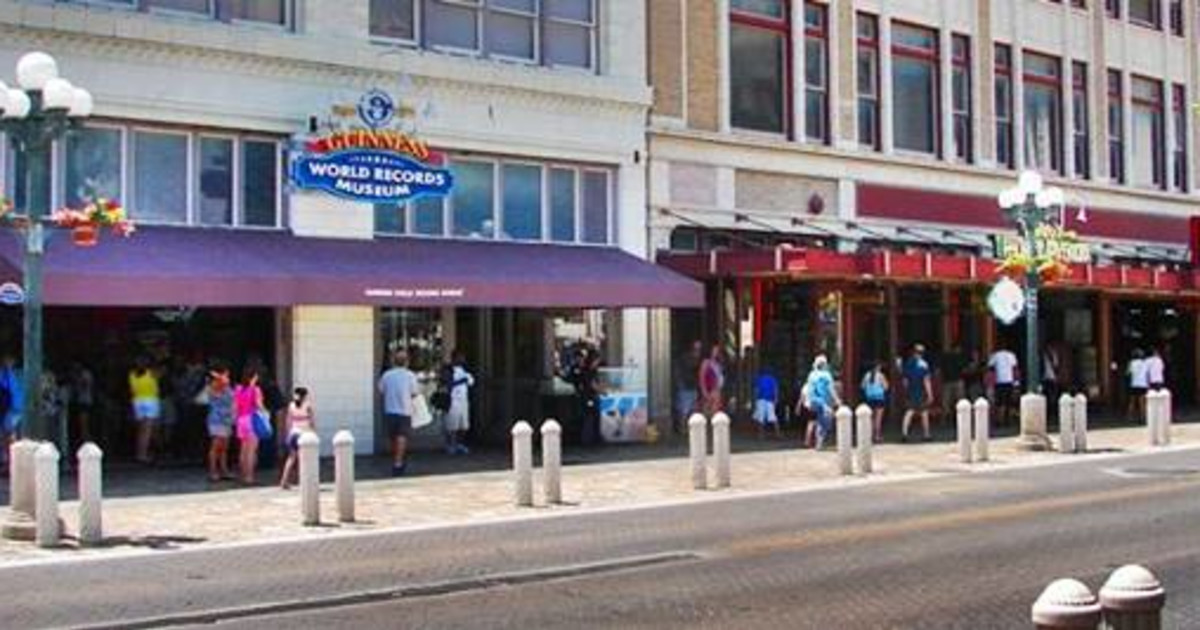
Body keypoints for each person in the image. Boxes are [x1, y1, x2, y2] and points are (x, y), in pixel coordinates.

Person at [379, 350, 419, 476]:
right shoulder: (410, 376)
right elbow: (414, 393)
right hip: (405, 410)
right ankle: (398, 462)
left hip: (390, 409)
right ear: (406, 362)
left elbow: (381, 390)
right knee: (402, 437)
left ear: (394, 361)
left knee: (393, 437)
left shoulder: (387, 375)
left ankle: (396, 458)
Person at [233, 368, 265, 484]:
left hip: (241, 420)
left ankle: (243, 475)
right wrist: (265, 414)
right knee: (252, 450)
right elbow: (259, 406)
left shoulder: (238, 389)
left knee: (243, 449)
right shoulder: (255, 390)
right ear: (253, 377)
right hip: (252, 420)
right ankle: (249, 477)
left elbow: (235, 407)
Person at [800, 355, 839, 450]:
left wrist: (807, 401)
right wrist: (837, 400)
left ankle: (817, 442)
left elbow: (809, 388)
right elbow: (830, 389)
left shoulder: (811, 374)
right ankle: (819, 442)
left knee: (816, 420)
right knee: (826, 421)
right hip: (822, 401)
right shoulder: (826, 375)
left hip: (812, 401)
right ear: (824, 365)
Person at [279, 387, 315, 490]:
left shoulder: (291, 405)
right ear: (304, 396)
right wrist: (314, 434)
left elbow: (288, 421)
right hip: (304, 436)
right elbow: (312, 421)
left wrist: (287, 434)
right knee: (304, 459)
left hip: (293, 434)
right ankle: (303, 481)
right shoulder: (308, 405)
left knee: (291, 458)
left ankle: (284, 481)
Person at [128, 356, 161, 464]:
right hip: (150, 400)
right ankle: (143, 454)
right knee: (148, 430)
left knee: (141, 429)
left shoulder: (132, 374)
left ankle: (141, 452)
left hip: (137, 401)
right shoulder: (152, 373)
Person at [204, 366, 234, 483]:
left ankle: (224, 470)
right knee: (215, 446)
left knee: (224, 447)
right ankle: (213, 471)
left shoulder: (228, 389)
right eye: (225, 375)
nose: (228, 378)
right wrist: (219, 378)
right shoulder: (212, 387)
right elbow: (213, 392)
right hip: (216, 420)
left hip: (227, 420)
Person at [442, 350, 475, 455]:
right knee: (452, 425)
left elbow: (471, 382)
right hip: (453, 401)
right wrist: (462, 381)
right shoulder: (449, 369)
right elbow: (448, 384)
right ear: (454, 358)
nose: (463, 359)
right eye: (460, 357)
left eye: (463, 357)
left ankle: (460, 444)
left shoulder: (465, 370)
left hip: (464, 401)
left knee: (463, 425)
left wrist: (466, 379)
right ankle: (451, 445)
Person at [901, 344, 933, 442]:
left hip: (911, 391)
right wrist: (930, 394)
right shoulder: (924, 365)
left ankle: (904, 434)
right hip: (921, 391)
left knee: (909, 412)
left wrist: (906, 391)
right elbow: (926, 381)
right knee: (924, 413)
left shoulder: (908, 364)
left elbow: (905, 381)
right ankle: (926, 434)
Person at [674, 341, 702, 432]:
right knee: (684, 409)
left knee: (692, 408)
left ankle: (690, 428)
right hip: (685, 386)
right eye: (696, 348)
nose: (698, 350)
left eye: (699, 348)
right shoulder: (686, 358)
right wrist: (680, 384)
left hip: (693, 386)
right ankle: (682, 428)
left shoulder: (698, 359)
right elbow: (683, 371)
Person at [988, 345, 1020, 426]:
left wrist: (990, 383)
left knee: (1000, 403)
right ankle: (1008, 420)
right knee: (1009, 402)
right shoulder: (1011, 355)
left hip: (999, 382)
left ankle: (1000, 420)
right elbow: (1015, 369)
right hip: (1009, 381)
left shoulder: (994, 356)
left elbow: (991, 369)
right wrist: (1016, 383)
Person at [0, 354, 21, 467]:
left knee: (10, 434)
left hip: (13, 409)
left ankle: (9, 459)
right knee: (7, 434)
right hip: (8, 409)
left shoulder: (15, 374)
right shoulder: (5, 374)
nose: (10, 363)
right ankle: (6, 459)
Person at [69, 361, 95, 451]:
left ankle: (87, 443)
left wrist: (77, 380)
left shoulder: (85, 374)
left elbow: (85, 385)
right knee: (80, 424)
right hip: (79, 401)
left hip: (85, 402)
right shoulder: (77, 374)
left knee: (84, 424)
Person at [860, 361, 889, 442]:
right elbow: (886, 387)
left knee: (871, 418)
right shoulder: (881, 376)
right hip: (879, 398)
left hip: (870, 398)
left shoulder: (867, 375)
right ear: (878, 367)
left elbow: (862, 386)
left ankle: (869, 435)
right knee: (878, 418)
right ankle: (877, 436)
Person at [752, 366, 781, 440]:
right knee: (773, 418)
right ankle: (778, 434)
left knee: (761, 419)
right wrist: (776, 399)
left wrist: (755, 400)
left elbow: (756, 390)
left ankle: (761, 435)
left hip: (760, 400)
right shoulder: (773, 379)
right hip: (769, 400)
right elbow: (775, 390)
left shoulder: (760, 379)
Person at [940, 345, 967, 420]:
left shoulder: (945, 357)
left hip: (947, 381)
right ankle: (961, 416)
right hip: (958, 380)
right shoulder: (959, 358)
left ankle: (945, 417)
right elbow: (964, 369)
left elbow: (940, 369)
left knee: (946, 401)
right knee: (960, 400)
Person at [698, 344, 725, 416]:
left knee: (716, 409)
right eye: (714, 350)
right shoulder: (706, 362)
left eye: (717, 351)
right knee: (707, 409)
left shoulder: (718, 363)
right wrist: (704, 391)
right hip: (709, 389)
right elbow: (701, 377)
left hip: (717, 389)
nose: (716, 352)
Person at [1127, 349, 1149, 423]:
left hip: (1134, 384)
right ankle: (1143, 417)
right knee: (1142, 402)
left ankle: (1130, 417)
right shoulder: (1145, 363)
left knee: (1132, 401)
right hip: (1143, 384)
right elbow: (1147, 373)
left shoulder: (1131, 363)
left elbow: (1128, 373)